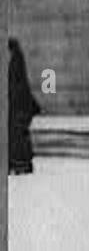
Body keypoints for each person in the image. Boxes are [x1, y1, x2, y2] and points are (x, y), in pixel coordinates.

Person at [8, 38, 40, 174]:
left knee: (15, 134)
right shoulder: (17, 60)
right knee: (18, 135)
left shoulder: (15, 62)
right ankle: (20, 163)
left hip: (17, 105)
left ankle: (18, 164)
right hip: (18, 105)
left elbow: (15, 83)